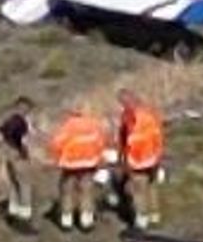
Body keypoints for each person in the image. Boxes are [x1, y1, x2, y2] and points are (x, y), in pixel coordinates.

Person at [49, 105, 109, 231]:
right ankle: (86, 221)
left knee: (67, 192)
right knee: (86, 192)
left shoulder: (67, 126)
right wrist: (99, 159)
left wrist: (58, 158)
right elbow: (100, 143)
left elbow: (56, 144)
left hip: (70, 164)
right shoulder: (93, 124)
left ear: (72, 113)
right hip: (89, 163)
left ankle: (67, 222)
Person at [116, 88, 166, 228]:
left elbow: (125, 142)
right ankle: (154, 215)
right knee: (151, 187)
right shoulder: (151, 114)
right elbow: (159, 137)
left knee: (139, 190)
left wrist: (124, 162)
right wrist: (159, 156)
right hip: (153, 158)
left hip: (138, 160)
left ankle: (142, 218)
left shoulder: (128, 118)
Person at [0, 96, 36, 226]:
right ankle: (25, 217)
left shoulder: (9, 120)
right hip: (18, 155)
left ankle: (13, 211)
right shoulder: (21, 122)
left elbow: (1, 130)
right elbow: (22, 139)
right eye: (28, 108)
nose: (29, 111)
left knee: (14, 184)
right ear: (22, 107)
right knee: (25, 184)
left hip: (8, 155)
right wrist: (22, 151)